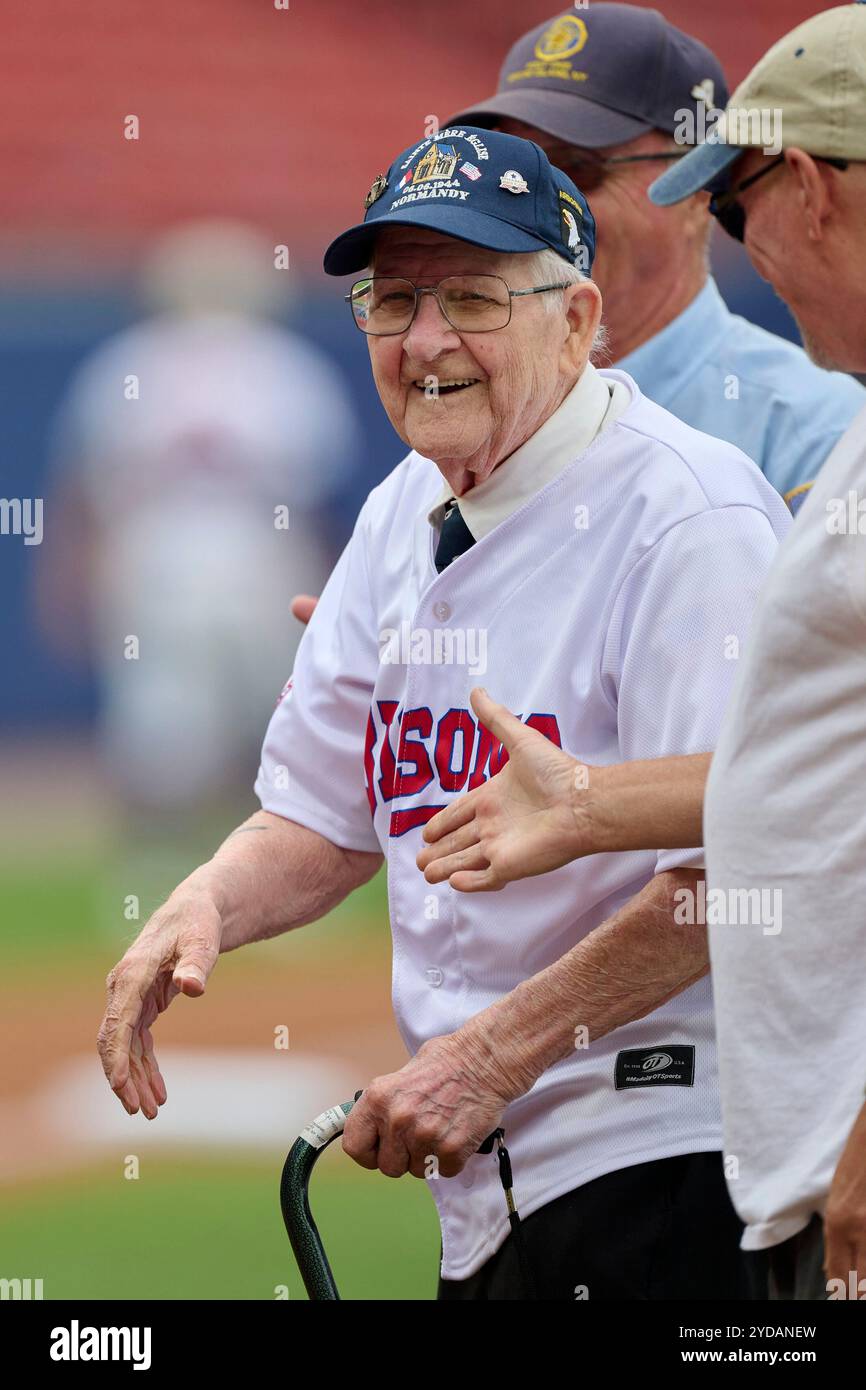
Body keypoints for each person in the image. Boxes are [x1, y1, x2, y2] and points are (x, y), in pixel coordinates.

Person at [98, 127, 791, 1300]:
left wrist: (489, 1056)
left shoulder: (687, 518)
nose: (424, 340)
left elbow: (747, 870)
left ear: (574, 321)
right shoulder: (398, 511)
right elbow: (321, 815)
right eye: (395, 299)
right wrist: (203, 899)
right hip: (487, 1175)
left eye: (470, 296)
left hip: (673, 1158)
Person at [423, 2, 866, 1302]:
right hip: (769, 1143)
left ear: (806, 186)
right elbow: (807, 762)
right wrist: (587, 798)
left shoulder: (795, 420)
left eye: (734, 205)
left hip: (703, 1107)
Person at [289, 3, 865, 629]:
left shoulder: (815, 432)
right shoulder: (454, 427)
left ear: (698, 183)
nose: (538, 208)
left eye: (575, 169)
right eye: (516, 178)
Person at [38, 220, 358, 814]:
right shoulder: (133, 367)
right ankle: (164, 864)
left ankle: (250, 856)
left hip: (249, 562)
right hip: (164, 563)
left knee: (270, 714)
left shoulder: (282, 369)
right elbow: (84, 495)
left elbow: (315, 506)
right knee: (163, 726)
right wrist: (70, 579)